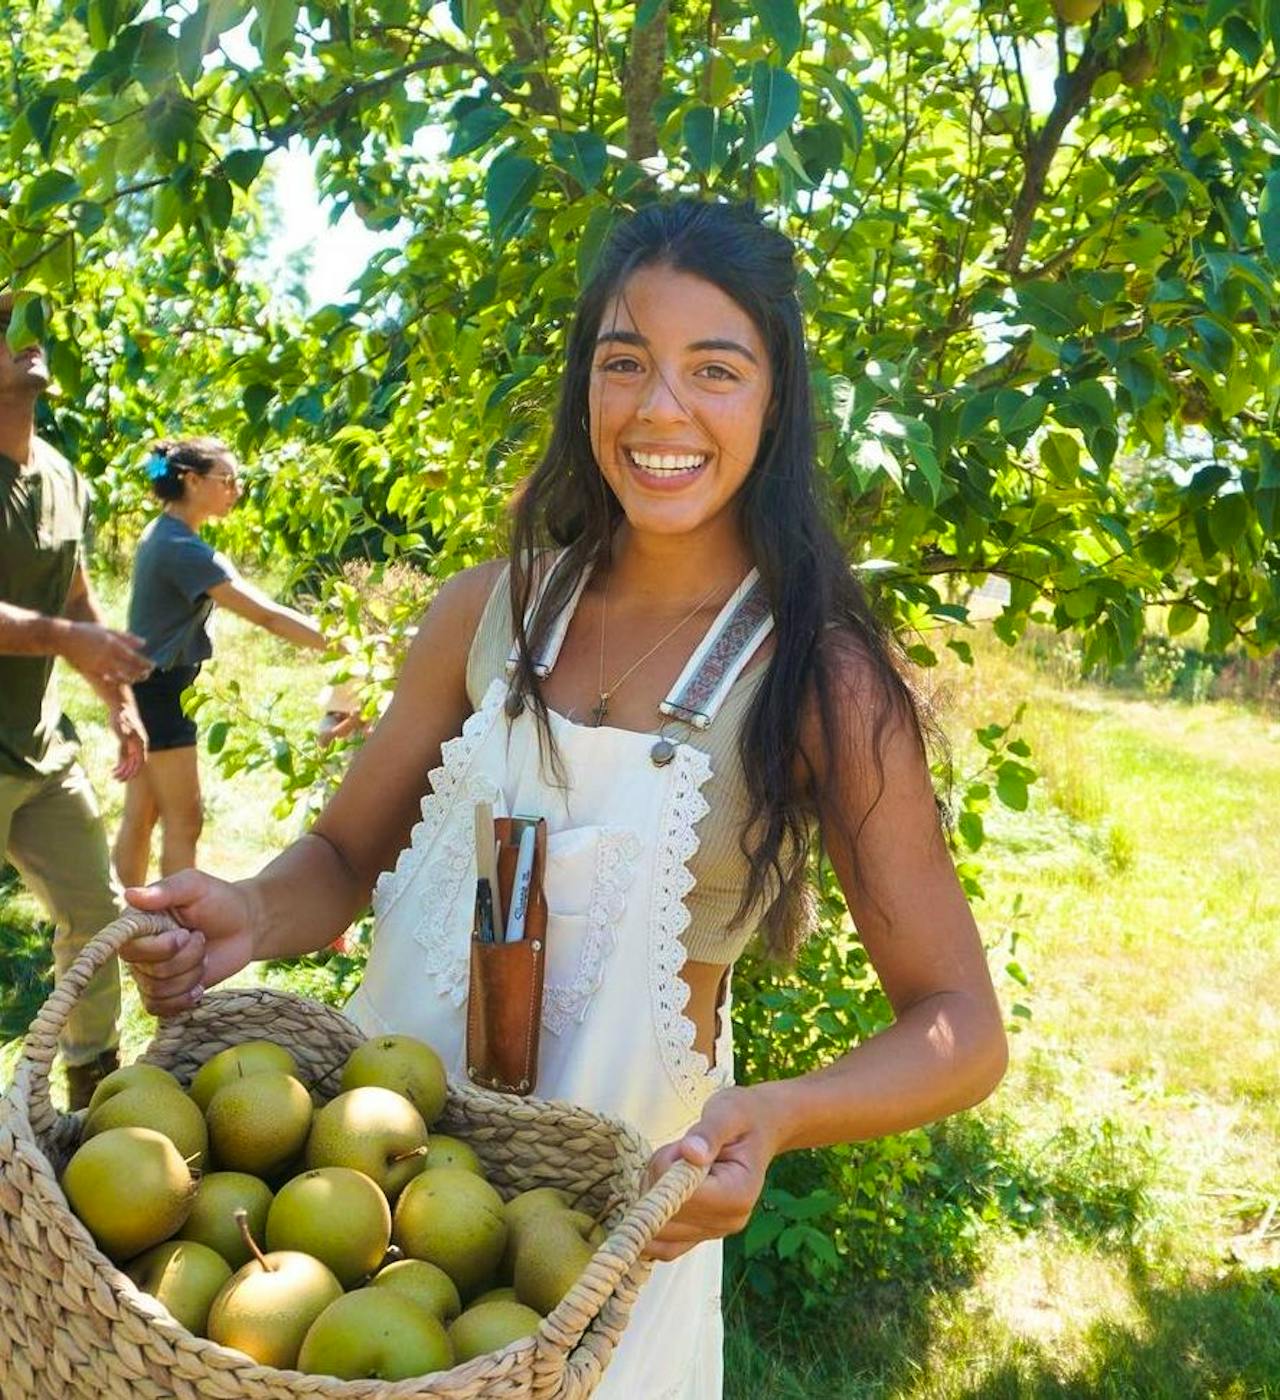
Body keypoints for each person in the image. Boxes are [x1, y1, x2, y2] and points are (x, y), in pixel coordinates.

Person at [122, 201, 1007, 1395]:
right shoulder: (486, 612)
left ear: (776, 400)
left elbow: (957, 1024)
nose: (659, 409)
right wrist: (248, 908)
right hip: (365, 1214)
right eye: (623, 361)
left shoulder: (815, 677)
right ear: (583, 384)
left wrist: (780, 1113)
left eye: (714, 369)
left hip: (608, 1244)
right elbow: (343, 851)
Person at [0, 292, 151, 1109]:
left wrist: (114, 694)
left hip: (40, 747)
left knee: (97, 917)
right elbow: (67, 628)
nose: (23, 337)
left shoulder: (60, 473)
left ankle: (93, 1092)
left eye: (26, 321)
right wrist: (68, 641)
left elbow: (80, 598)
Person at [112, 437, 331, 888]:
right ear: (192, 481)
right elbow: (267, 615)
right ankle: (173, 928)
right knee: (185, 819)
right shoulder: (181, 549)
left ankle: (121, 924)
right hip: (161, 691)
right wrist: (341, 644)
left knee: (143, 814)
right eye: (227, 480)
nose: (236, 490)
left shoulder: (165, 534)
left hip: (146, 685)